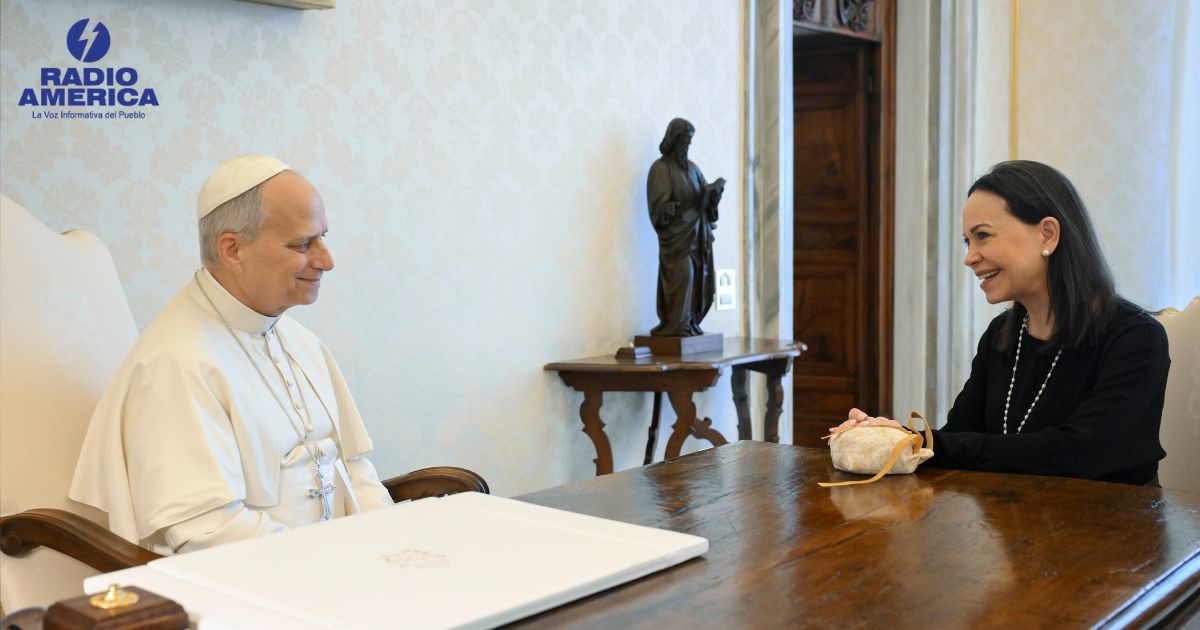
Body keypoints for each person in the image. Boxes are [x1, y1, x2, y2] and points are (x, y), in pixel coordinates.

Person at [70, 156, 394, 554]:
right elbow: (207, 531)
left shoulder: (299, 340)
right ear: (233, 249)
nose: (326, 260)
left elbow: (353, 469)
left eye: (323, 237)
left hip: (334, 571)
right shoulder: (176, 363)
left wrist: (389, 547)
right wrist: (327, 565)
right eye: (303, 243)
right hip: (252, 588)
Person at [846, 160, 1169, 485]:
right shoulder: (1002, 335)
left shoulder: (1137, 338)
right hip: (1012, 524)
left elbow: (1078, 453)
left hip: (1113, 528)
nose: (969, 257)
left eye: (982, 236)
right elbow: (957, 438)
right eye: (967, 242)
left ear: (1048, 235)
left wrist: (920, 442)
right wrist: (884, 440)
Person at [646, 117, 725, 336]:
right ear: (673, 139)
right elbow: (657, 207)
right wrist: (665, 210)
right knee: (685, 275)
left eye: (690, 142)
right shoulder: (660, 169)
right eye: (684, 142)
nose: (687, 147)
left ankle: (689, 324)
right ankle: (676, 326)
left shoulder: (693, 169)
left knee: (701, 281)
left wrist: (713, 198)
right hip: (677, 241)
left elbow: (704, 203)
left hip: (698, 237)